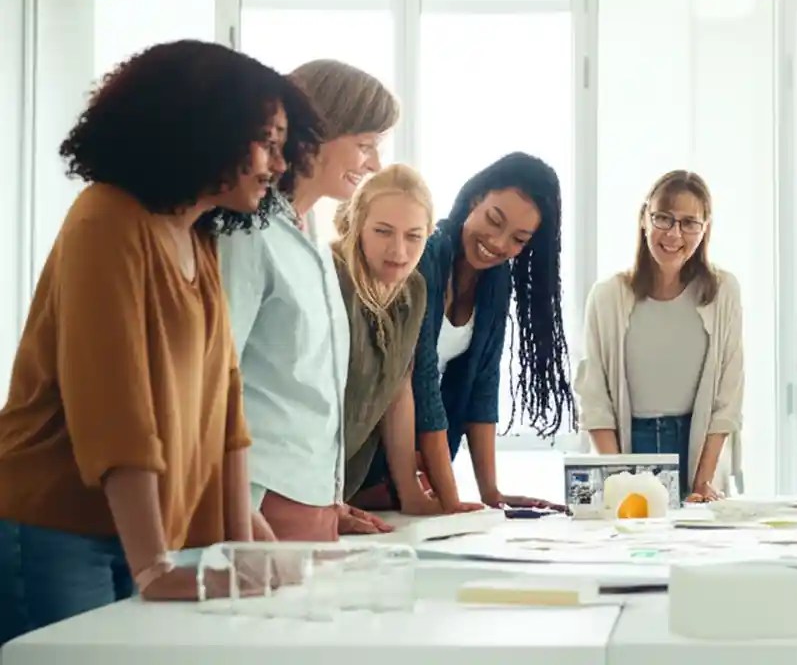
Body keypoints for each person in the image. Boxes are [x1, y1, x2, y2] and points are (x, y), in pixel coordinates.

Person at [0, 40, 323, 643]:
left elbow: (226, 406)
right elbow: (113, 405)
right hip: (59, 527)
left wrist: (241, 537)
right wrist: (154, 566)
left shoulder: (196, 236)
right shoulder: (106, 220)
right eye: (268, 143)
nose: (278, 166)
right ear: (206, 131)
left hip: (145, 532)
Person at [220, 59, 399, 541]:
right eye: (365, 146)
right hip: (259, 499)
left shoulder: (314, 243)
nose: (375, 165)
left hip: (311, 499)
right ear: (314, 135)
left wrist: (330, 499)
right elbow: (215, 380)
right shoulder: (246, 233)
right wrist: (242, 510)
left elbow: (310, 389)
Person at [411, 152, 576, 511]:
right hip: (379, 456)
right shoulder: (425, 256)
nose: (499, 244)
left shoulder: (496, 281)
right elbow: (421, 380)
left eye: (518, 239)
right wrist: (449, 496)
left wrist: (491, 494)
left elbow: (482, 387)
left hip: (423, 465)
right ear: (475, 199)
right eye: (494, 220)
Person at [575, 170, 745, 501]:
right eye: (663, 219)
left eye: (689, 222)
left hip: (695, 448)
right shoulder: (608, 295)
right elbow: (595, 398)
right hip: (628, 444)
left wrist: (702, 482)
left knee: (698, 546)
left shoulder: (723, 291)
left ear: (705, 228)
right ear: (644, 219)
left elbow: (729, 397)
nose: (674, 234)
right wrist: (619, 478)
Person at [334, 164, 482, 519]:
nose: (398, 251)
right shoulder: (330, 276)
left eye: (414, 236)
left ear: (429, 234)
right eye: (383, 231)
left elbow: (399, 392)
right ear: (357, 224)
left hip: (346, 482)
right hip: (292, 480)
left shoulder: (413, 291)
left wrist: (411, 494)